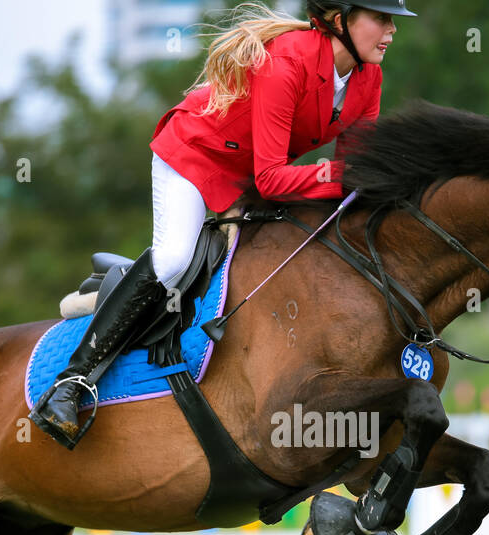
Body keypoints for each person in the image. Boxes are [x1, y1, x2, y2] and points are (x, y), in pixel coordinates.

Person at [30, 1, 416, 449]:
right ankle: (71, 384)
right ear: (339, 20)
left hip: (248, 175)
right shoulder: (286, 61)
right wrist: (339, 176)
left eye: (391, 21)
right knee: (174, 260)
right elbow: (281, 177)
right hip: (195, 157)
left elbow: (352, 171)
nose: (390, 31)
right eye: (381, 19)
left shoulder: (368, 77)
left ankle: (129, 291)